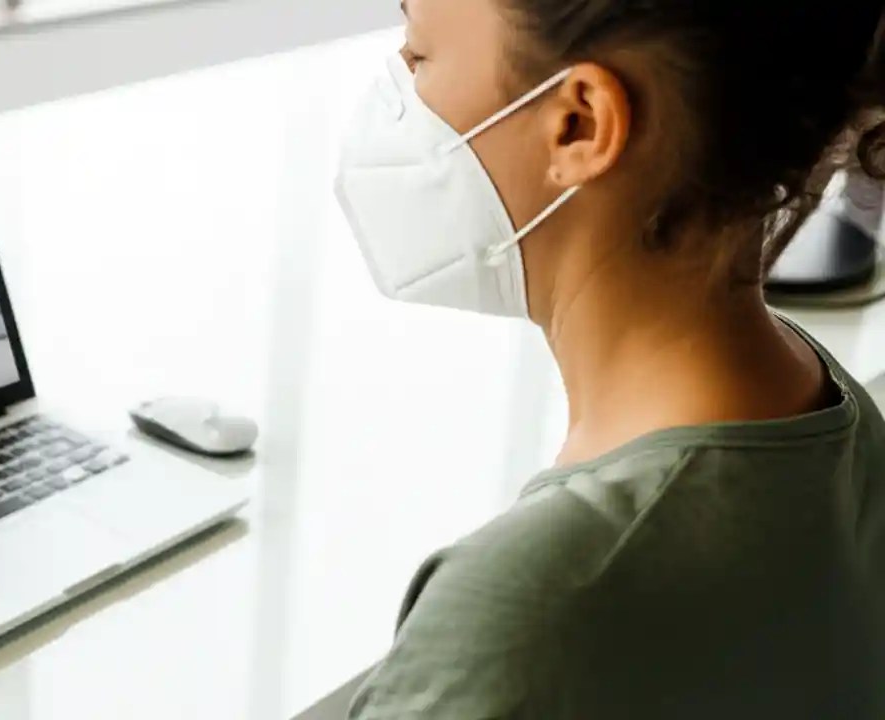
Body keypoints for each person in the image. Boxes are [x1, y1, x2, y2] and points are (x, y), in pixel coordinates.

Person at [336, 1, 885, 717]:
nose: (398, 88)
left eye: (419, 54)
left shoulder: (529, 613)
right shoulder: (837, 423)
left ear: (580, 123)